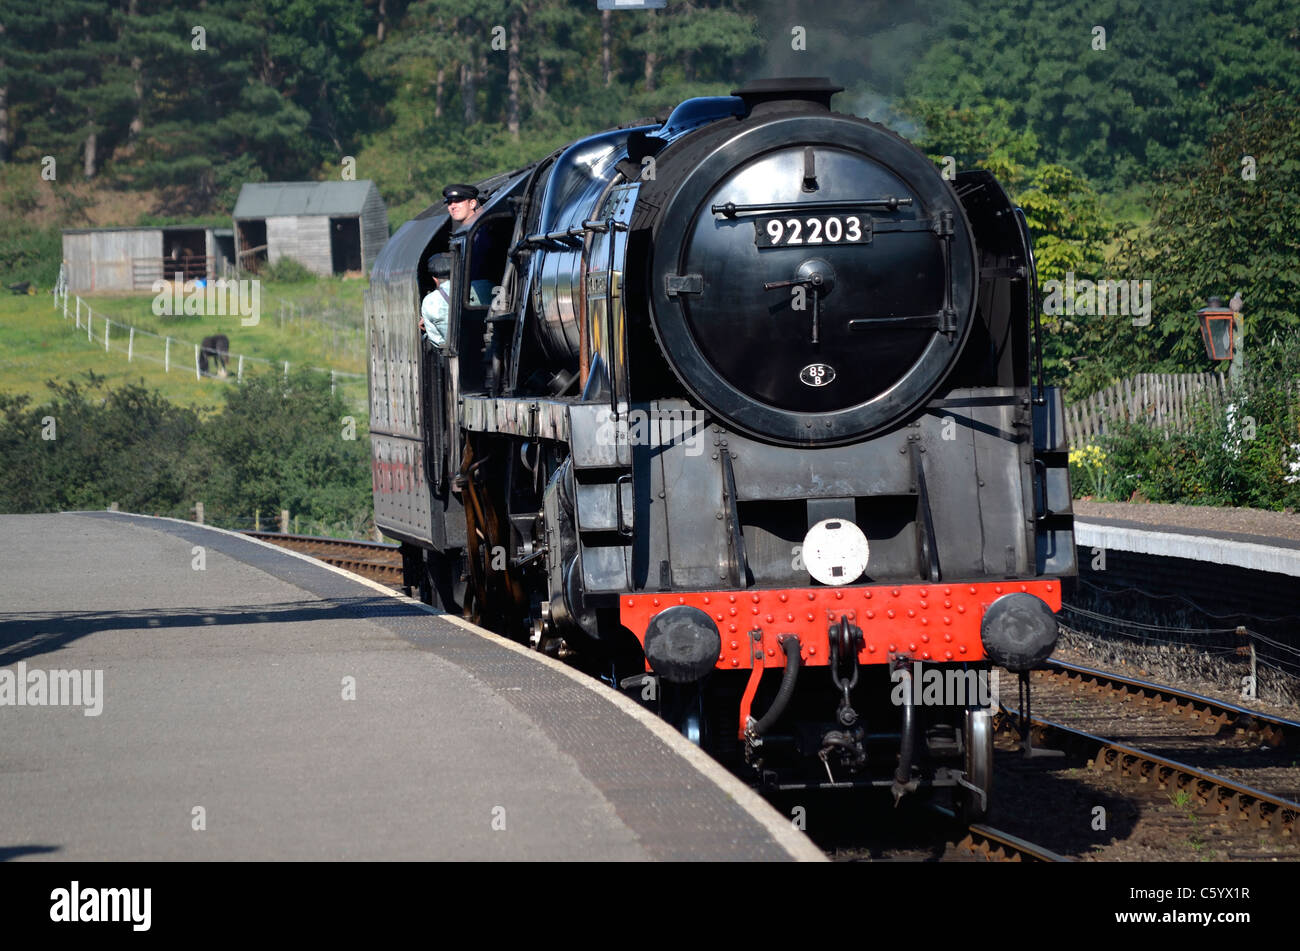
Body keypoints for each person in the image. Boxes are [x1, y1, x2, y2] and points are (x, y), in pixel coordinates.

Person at [420, 253, 453, 347]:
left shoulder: (429, 301)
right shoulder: (479, 287)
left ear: (435, 279)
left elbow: (438, 341)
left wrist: (427, 323)